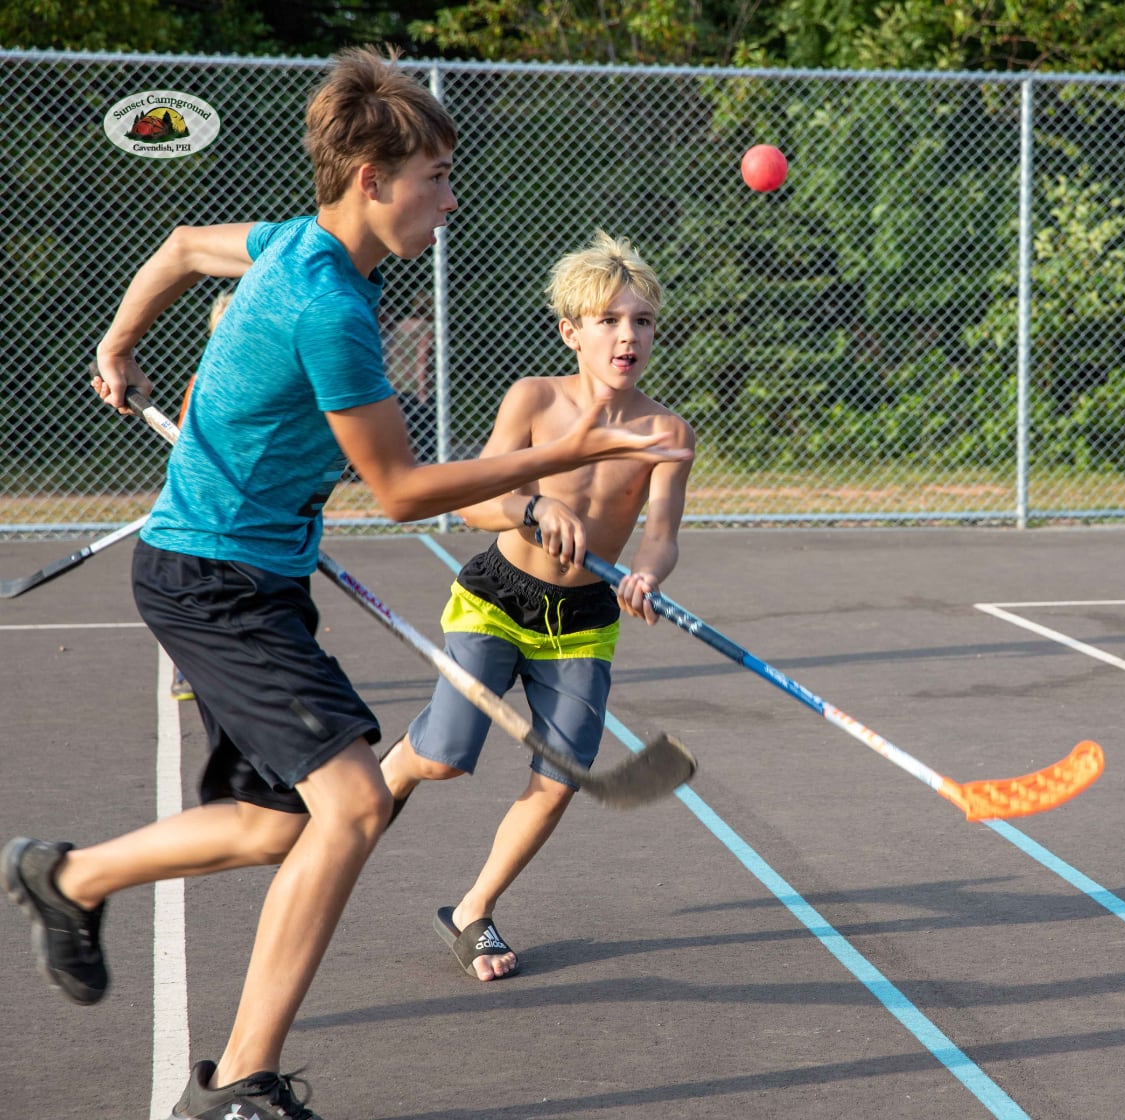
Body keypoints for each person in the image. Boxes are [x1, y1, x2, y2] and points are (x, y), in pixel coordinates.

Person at [2, 47, 688, 1120]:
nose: (449, 204)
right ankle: (238, 1085)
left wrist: (120, 339)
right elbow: (406, 490)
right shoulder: (331, 305)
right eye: (436, 180)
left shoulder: (290, 244)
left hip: (254, 574)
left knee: (286, 826)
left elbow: (184, 247)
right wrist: (564, 454)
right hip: (212, 576)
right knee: (357, 803)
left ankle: (69, 877)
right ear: (372, 179)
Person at [379, 230, 693, 981]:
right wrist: (529, 510)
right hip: (497, 600)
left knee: (560, 779)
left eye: (642, 321)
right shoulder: (534, 398)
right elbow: (476, 503)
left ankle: (472, 911)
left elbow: (662, 537)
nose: (628, 335)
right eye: (611, 320)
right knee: (445, 759)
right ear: (571, 331)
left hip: (582, 623)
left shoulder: (667, 433)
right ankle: (378, 781)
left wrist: (646, 576)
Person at [170, 288, 235, 703]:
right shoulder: (207, 379)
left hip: (246, 508)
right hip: (206, 502)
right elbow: (186, 441)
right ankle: (186, 667)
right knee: (198, 582)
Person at [385, 290, 436, 461]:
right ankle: (427, 462)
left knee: (400, 427)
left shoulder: (400, 325)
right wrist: (422, 389)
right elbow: (422, 358)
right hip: (414, 385)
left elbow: (390, 352)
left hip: (395, 382)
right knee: (426, 427)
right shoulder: (425, 328)